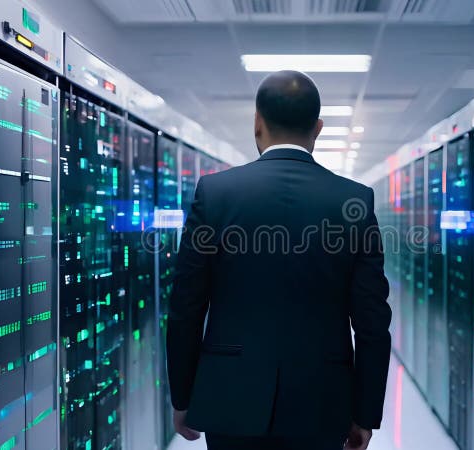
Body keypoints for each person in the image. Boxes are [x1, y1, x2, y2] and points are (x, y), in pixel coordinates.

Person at [167, 70, 391, 450]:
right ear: (317, 128)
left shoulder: (216, 193)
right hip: (323, 404)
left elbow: (186, 306)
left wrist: (184, 397)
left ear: (257, 123)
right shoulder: (354, 200)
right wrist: (365, 412)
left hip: (230, 399)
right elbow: (371, 322)